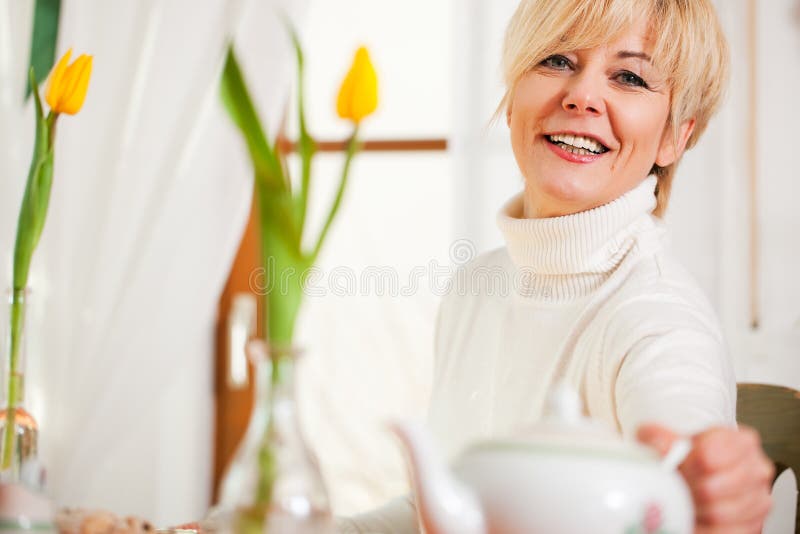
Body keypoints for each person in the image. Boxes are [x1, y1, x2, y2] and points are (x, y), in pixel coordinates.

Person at [338, 0, 775, 532]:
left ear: (674, 137)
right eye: (557, 61)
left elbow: (688, 454)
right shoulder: (477, 286)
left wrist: (712, 492)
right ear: (512, 91)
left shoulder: (658, 317)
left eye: (630, 77)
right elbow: (446, 509)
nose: (583, 95)